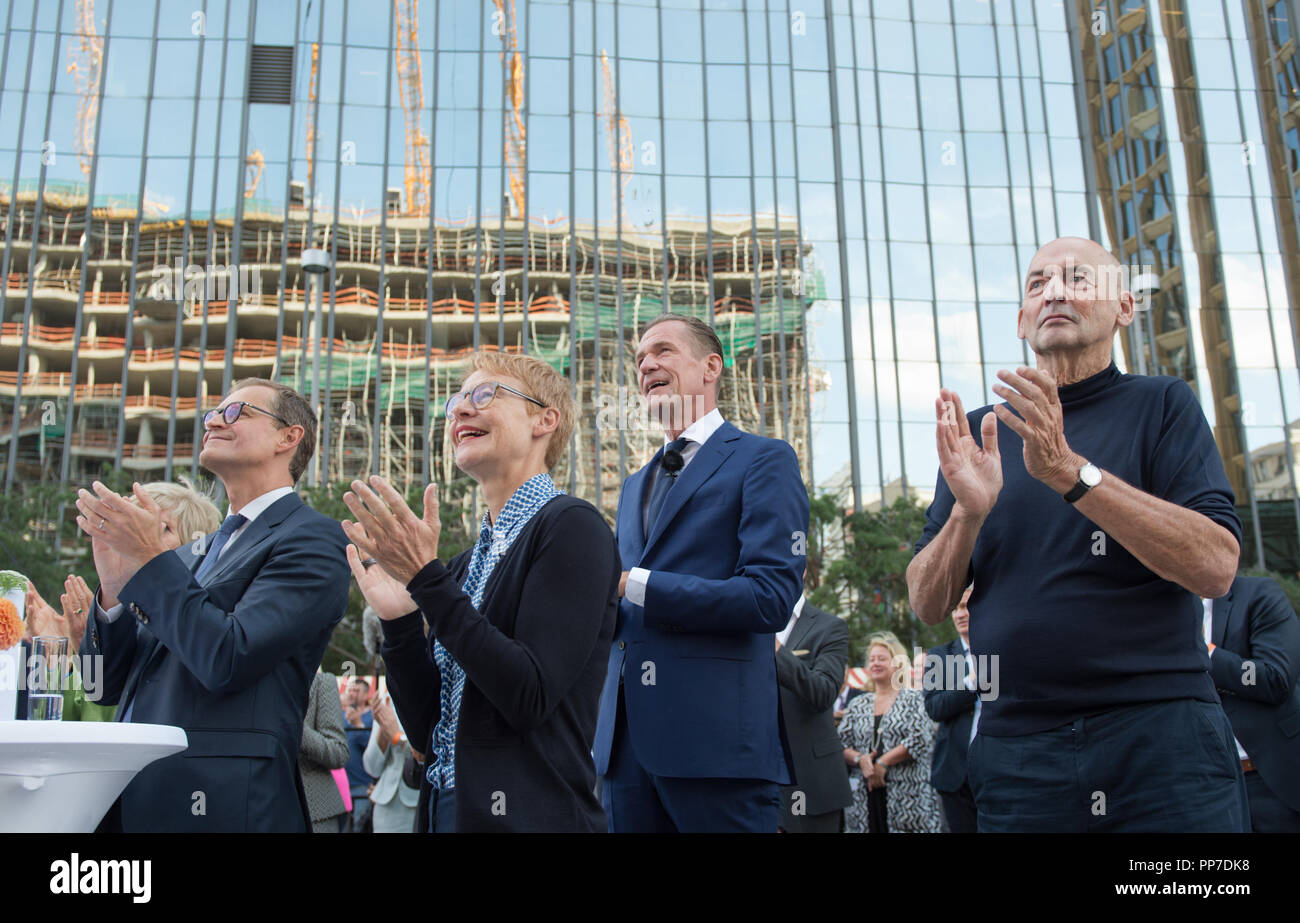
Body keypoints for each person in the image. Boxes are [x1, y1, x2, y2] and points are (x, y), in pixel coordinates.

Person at [907, 236, 1248, 832]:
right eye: (1037, 284)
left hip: (1160, 740)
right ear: (1021, 320)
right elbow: (927, 600)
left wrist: (1069, 471)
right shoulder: (977, 435)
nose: (1054, 292)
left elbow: (1216, 567)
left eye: (1077, 279)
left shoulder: (1163, 405)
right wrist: (968, 512)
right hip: (1017, 753)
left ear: (1123, 308)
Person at [344, 351, 619, 832]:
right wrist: (400, 622)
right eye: (456, 402)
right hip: (446, 810)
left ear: (544, 420)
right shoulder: (467, 564)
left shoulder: (572, 527)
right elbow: (428, 733)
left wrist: (427, 581)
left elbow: (528, 694)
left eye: (484, 395)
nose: (460, 411)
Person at [76, 378, 351, 832]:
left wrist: (149, 560)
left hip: (224, 806)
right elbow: (99, 689)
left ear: (289, 436)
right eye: (211, 415)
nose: (214, 422)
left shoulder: (313, 539)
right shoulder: (186, 556)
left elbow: (228, 657)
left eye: (236, 412)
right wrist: (112, 589)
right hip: (133, 799)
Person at [593, 313, 809, 833]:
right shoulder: (631, 486)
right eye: (639, 358)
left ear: (712, 366)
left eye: (663, 351)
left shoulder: (764, 459)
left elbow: (769, 598)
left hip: (715, 750)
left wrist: (631, 584)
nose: (646, 364)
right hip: (621, 756)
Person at [1204, 576, 1300, 832]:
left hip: (1273, 779)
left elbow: (1276, 678)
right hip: (1208, 790)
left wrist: (1205, 652)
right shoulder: (1157, 612)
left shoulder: (1257, 594)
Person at [837, 633, 942, 833]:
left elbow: (921, 738)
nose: (875, 663)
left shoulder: (913, 699)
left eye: (882, 659)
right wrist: (860, 759)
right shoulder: (858, 704)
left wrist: (883, 763)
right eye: (872, 659)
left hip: (908, 797)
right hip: (864, 796)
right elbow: (840, 743)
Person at [775, 588, 852, 833]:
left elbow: (824, 692)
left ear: (802, 567)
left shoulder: (830, 626)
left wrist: (774, 649)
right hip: (753, 782)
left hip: (811, 782)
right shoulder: (744, 623)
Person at [922, 585, 979, 833]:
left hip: (1002, 768)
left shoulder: (1002, 649)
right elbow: (934, 707)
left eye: (965, 606)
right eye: (955, 609)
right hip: (955, 773)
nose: (959, 614)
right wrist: (971, 683)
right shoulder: (940, 656)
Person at [299, 670, 350, 833]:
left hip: (316, 814)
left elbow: (339, 752)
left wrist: (298, 731)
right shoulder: (249, 680)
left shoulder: (321, 682)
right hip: (259, 805)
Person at [362, 690, 420, 833]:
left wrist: (398, 739)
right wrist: (383, 729)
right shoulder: (387, 697)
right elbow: (372, 768)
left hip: (420, 800)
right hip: (386, 808)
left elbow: (430, 753)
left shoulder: (438, 687)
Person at [342, 675, 376, 832]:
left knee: (359, 827)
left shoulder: (371, 717)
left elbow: (371, 747)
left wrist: (358, 724)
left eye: (356, 691)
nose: (351, 694)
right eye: (350, 690)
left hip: (362, 784)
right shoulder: (341, 716)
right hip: (342, 785)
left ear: (365, 695)